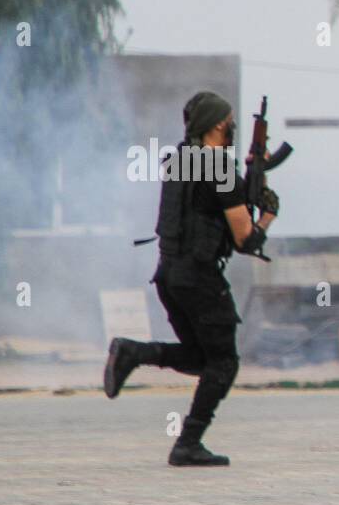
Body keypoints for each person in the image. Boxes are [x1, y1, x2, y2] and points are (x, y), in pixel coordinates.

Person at [104, 91, 278, 466]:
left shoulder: (179, 161)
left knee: (203, 358)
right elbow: (246, 240)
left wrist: (248, 176)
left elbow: (205, 204)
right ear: (218, 124)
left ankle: (134, 352)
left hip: (169, 276)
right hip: (200, 279)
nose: (234, 126)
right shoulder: (219, 168)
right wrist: (268, 213)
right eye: (230, 120)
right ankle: (188, 442)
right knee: (224, 363)